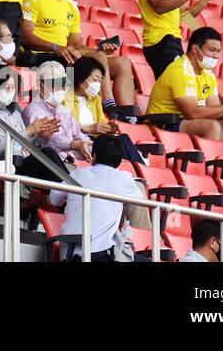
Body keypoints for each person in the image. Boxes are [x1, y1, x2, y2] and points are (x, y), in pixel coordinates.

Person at [21, 0, 138, 118]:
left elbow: (76, 45)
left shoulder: (71, 5)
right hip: (43, 56)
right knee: (100, 57)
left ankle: (129, 116)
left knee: (123, 63)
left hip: (66, 56)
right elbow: (25, 36)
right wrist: (56, 47)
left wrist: (97, 50)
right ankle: (110, 106)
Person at [146, 27, 223, 145]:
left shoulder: (207, 73)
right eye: (212, 50)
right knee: (211, 126)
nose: (216, 56)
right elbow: (193, 113)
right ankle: (208, 163)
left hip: (185, 124)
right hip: (162, 125)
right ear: (195, 49)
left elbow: (215, 110)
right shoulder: (180, 70)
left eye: (218, 51)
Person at [48, 134, 144, 262]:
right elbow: (136, 203)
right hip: (101, 255)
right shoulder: (123, 178)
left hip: (69, 255)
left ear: (94, 156)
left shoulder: (77, 174)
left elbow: (53, 199)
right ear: (119, 161)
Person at [0, 64, 63, 181]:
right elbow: (1, 149)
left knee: (48, 157)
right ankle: (71, 192)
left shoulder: (14, 113)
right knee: (48, 155)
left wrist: (40, 137)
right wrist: (29, 131)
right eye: (6, 87)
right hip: (7, 166)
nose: (11, 91)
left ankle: (68, 191)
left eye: (13, 87)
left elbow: (23, 145)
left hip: (23, 161)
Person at [23, 61, 92, 164]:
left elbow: (80, 137)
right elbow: (48, 143)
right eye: (56, 85)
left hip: (68, 165)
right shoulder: (33, 111)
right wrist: (75, 145)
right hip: (48, 166)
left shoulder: (64, 111)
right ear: (41, 86)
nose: (62, 89)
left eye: (63, 84)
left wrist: (94, 147)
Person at [63, 57, 121, 139]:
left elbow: (101, 122)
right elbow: (63, 125)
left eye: (100, 81)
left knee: (123, 138)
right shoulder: (64, 96)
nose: (97, 84)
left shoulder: (96, 99)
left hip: (94, 141)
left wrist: (109, 128)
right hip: (76, 141)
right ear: (81, 77)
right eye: (95, 79)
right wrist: (88, 129)